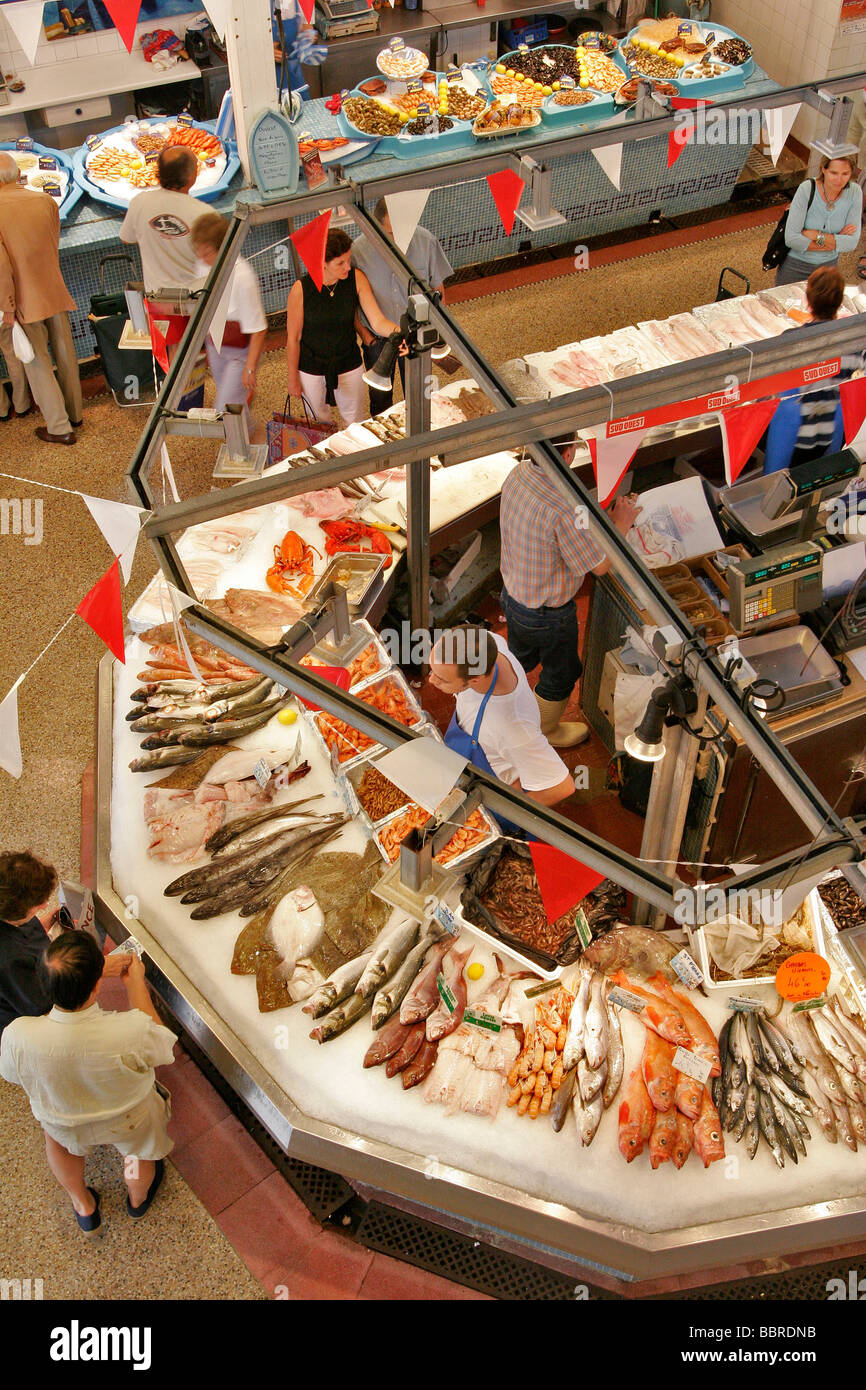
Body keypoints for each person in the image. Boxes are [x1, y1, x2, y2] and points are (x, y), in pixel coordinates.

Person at [0, 931, 176, 1234]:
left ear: (43, 983)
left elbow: (13, 1075)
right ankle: (137, 1200)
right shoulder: (129, 1031)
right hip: (129, 1120)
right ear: (97, 985)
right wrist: (136, 987)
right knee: (136, 1154)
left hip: (62, 1120)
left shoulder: (17, 1034)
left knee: (59, 1146)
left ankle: (83, 1206)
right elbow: (163, 1046)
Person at [499, 442, 640, 747]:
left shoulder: (518, 473)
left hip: (512, 597)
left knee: (516, 662)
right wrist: (620, 524)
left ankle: (499, 718)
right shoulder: (563, 506)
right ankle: (544, 733)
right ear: (567, 454)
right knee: (562, 673)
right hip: (546, 615)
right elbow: (600, 566)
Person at [429, 626, 576, 821]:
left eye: (441, 679)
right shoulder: (487, 642)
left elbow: (561, 788)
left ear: (476, 679)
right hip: (470, 747)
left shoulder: (513, 729)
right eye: (432, 669)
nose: (431, 680)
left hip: (492, 780)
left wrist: (505, 812)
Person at [0, 152, 82, 446]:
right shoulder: (45, 200)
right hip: (54, 286)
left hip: (24, 298)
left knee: (38, 364)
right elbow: (53, 240)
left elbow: (2, 268)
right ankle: (75, 414)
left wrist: (7, 308)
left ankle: (59, 428)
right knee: (65, 352)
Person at [285, 226, 402, 427]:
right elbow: (293, 338)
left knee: (354, 420)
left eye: (348, 260)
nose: (348, 267)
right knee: (318, 424)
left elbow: (377, 321)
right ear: (322, 263)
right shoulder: (301, 289)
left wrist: (400, 333)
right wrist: (292, 377)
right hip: (311, 367)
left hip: (348, 361)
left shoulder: (356, 279)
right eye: (340, 263)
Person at [351, 198, 453, 414]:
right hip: (377, 339)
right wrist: (366, 338)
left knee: (419, 397)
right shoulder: (358, 251)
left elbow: (439, 290)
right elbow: (352, 302)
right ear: (376, 226)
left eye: (403, 230)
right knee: (380, 402)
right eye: (390, 232)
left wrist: (437, 332)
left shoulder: (426, 241)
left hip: (417, 335)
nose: (399, 239)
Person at [764, 266, 866, 473]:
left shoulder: (789, 340)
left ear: (808, 302)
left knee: (781, 489)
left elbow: (768, 384)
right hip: (828, 435)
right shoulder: (853, 344)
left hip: (790, 437)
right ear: (839, 304)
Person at [191, 211, 267, 438]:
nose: (203, 258)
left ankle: (250, 441)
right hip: (216, 344)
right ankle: (247, 441)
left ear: (223, 247)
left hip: (241, 351)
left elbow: (259, 329)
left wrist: (250, 368)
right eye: (200, 253)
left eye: (207, 253)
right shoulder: (203, 265)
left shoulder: (243, 276)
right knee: (233, 405)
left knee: (224, 407)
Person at [119, 146, 203, 293]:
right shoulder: (203, 214)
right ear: (192, 178)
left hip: (157, 299)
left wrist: (156, 234)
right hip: (197, 301)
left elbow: (126, 238)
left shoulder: (140, 202)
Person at [775, 155, 862, 287]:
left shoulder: (855, 192)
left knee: (824, 307)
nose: (839, 180)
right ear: (823, 169)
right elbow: (792, 239)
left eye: (845, 174)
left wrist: (817, 235)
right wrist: (834, 242)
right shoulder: (807, 188)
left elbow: (851, 243)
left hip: (828, 267)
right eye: (834, 173)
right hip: (795, 264)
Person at [0, 850, 59, 1041]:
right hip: (17, 1023)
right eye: (39, 903)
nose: (44, 905)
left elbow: (19, 928)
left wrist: (45, 922)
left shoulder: (8, 913)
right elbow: (40, 1005)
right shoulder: (11, 961)